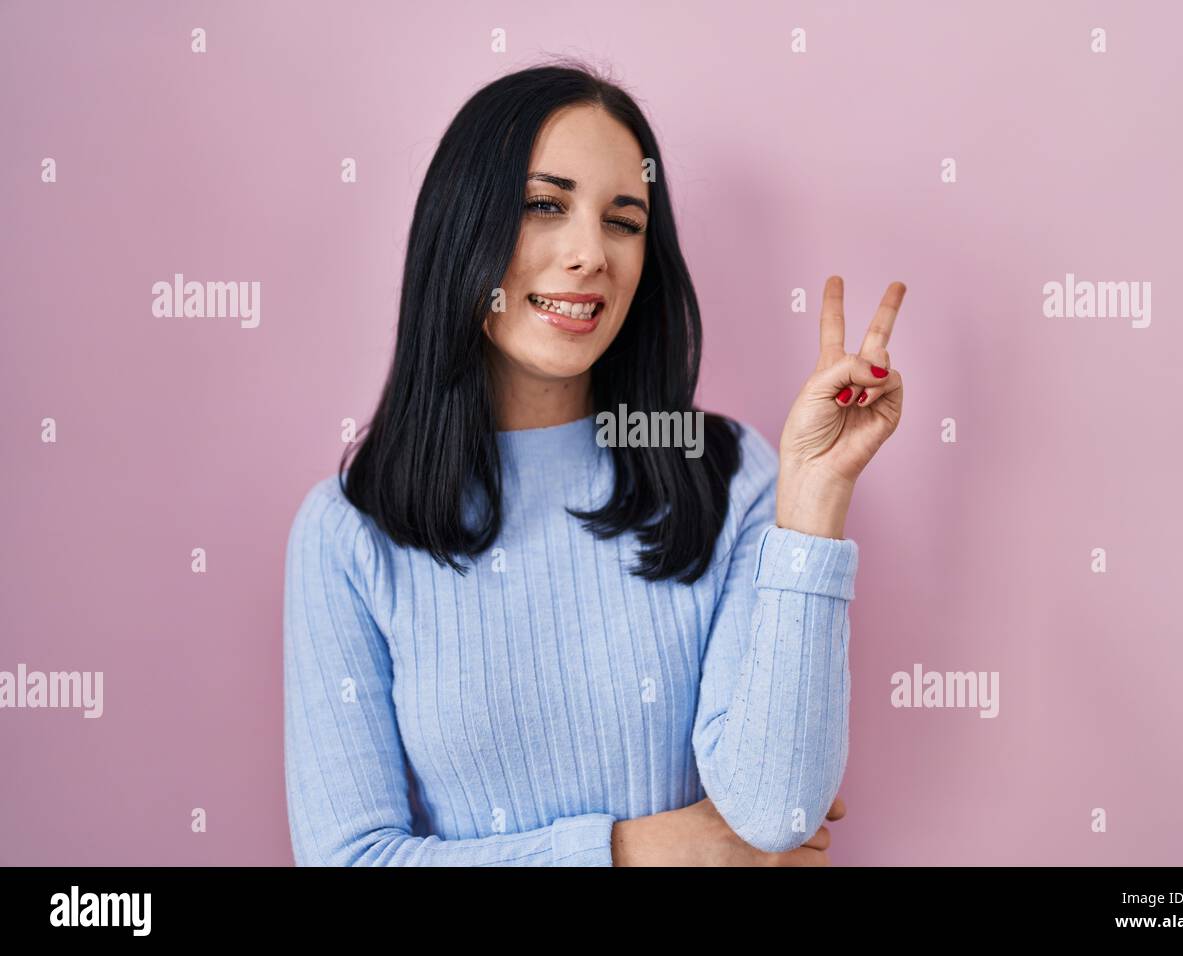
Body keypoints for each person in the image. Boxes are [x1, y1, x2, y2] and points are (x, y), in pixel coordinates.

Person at [282, 59, 906, 866]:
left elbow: (777, 808)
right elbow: (348, 860)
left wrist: (816, 496)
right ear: (462, 226)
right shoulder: (346, 533)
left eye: (623, 220)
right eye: (545, 205)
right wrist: (633, 852)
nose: (589, 255)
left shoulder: (723, 472)